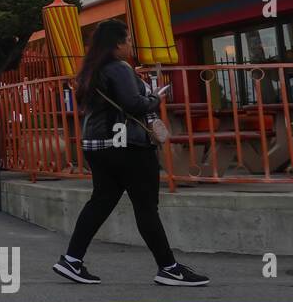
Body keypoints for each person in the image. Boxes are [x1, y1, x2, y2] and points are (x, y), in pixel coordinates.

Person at [53, 17, 209, 287]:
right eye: (127, 40)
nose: (130, 45)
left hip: (97, 147)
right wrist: (156, 97)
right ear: (116, 44)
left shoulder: (91, 70)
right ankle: (169, 268)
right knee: (146, 206)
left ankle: (72, 259)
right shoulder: (119, 68)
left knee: (101, 202)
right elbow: (134, 104)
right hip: (128, 146)